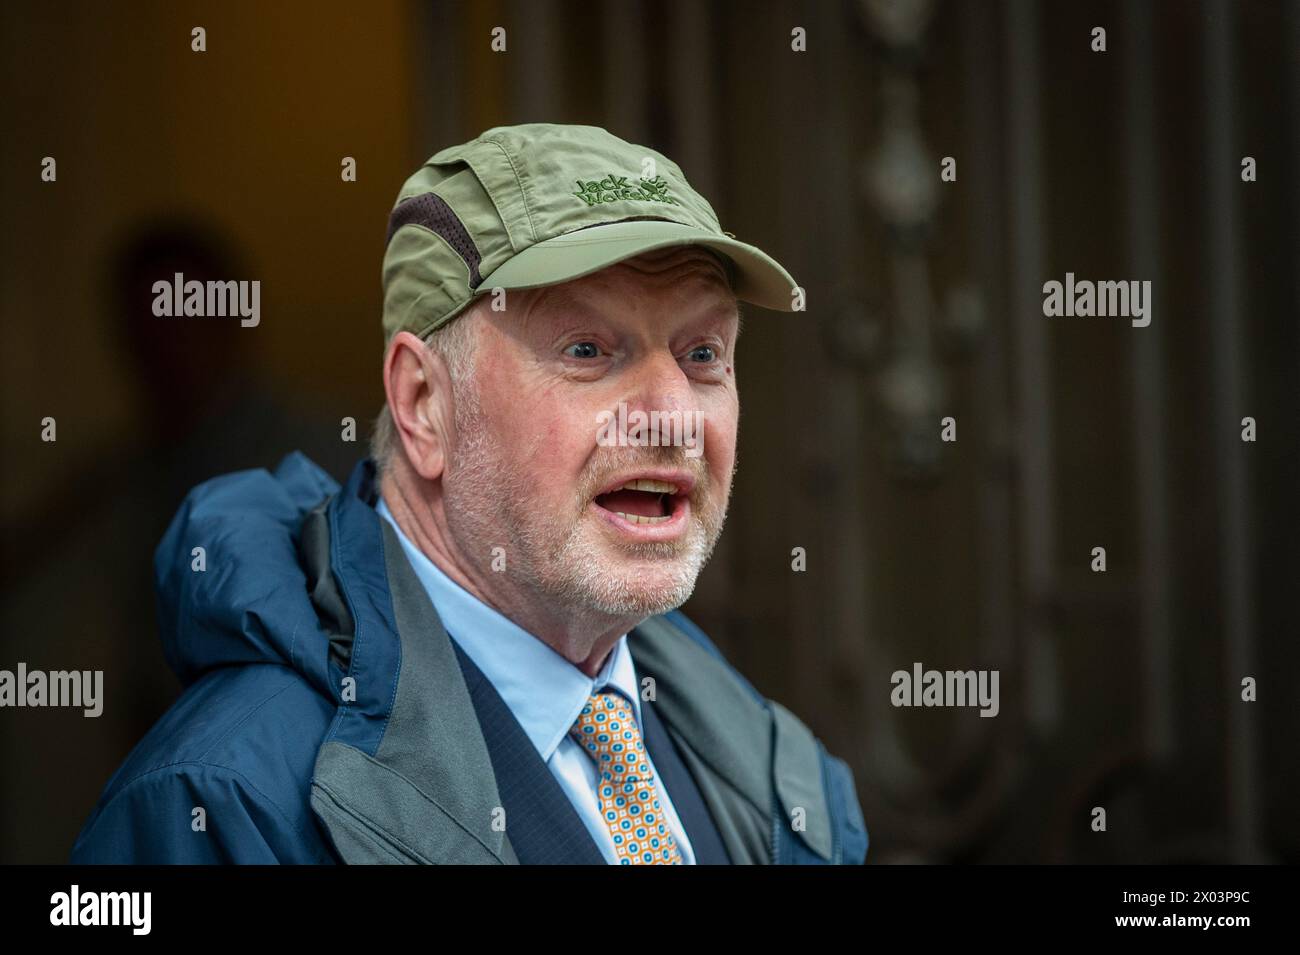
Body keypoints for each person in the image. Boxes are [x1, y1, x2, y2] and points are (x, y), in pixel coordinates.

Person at [70, 123, 868, 864]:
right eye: (588, 348)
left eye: (703, 353)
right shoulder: (223, 802)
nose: (672, 420)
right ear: (423, 402)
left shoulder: (778, 774)